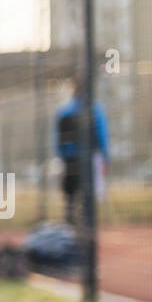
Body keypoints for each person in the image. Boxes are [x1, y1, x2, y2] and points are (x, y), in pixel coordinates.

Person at [53, 76, 109, 225]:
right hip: (87, 158)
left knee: (70, 192)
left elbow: (58, 139)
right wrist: (105, 157)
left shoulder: (64, 111)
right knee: (87, 191)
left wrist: (63, 155)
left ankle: (70, 218)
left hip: (70, 158)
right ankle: (86, 221)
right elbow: (102, 135)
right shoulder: (94, 110)